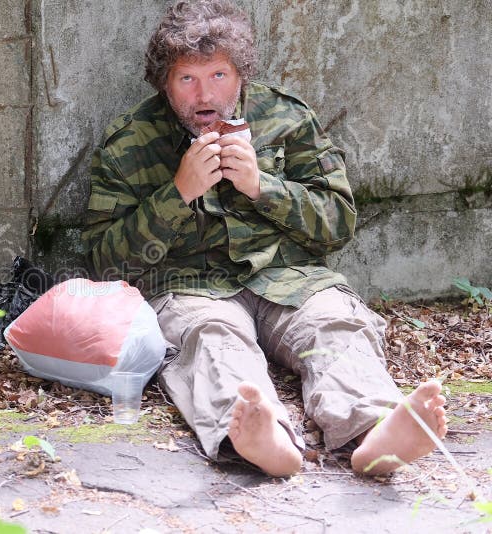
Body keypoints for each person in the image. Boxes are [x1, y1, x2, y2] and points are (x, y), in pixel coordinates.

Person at [81, 0, 447, 477]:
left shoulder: (286, 119)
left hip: (289, 279)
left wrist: (262, 186)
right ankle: (263, 436)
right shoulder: (129, 143)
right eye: (186, 79)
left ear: (241, 74)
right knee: (211, 338)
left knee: (334, 322)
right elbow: (105, 268)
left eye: (218, 76)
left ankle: (374, 430)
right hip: (192, 287)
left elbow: (338, 223)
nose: (203, 94)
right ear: (164, 83)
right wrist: (177, 193)